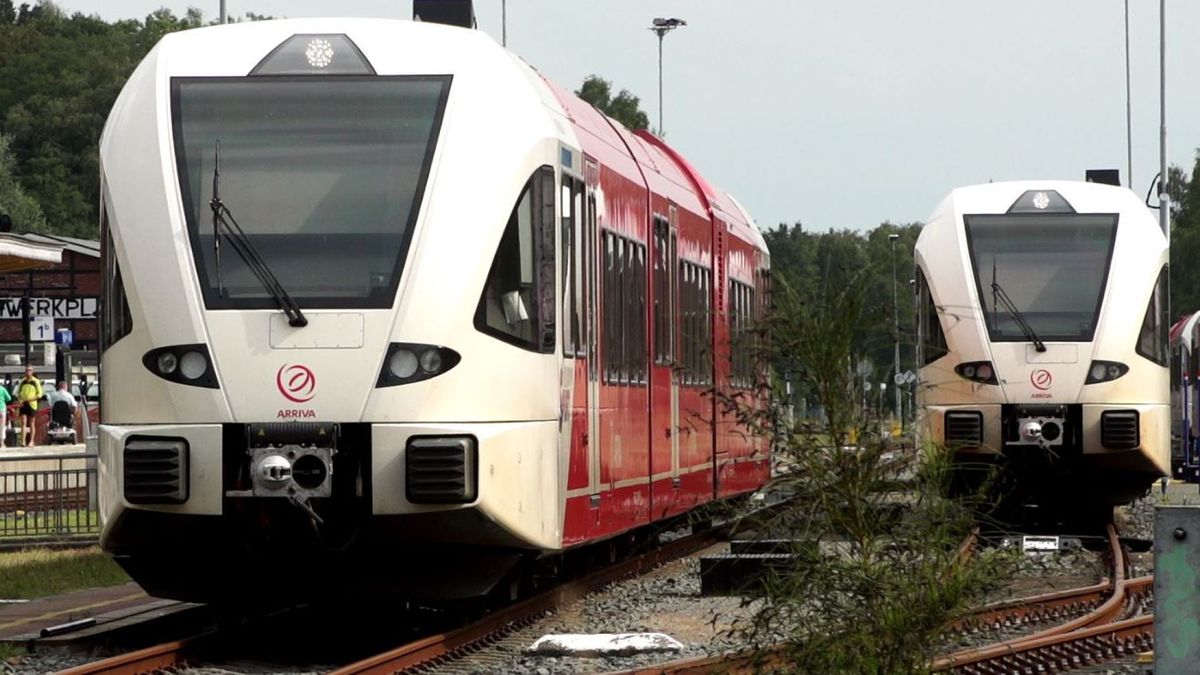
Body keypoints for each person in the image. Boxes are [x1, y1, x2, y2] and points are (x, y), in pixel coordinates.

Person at [16, 367, 42, 448]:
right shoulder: (22, 381)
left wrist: (31, 399)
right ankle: (23, 441)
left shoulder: (36, 381)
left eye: (30, 370)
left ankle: (31, 441)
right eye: (26, 370)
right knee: (23, 421)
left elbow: (40, 394)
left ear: (32, 371)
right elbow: (17, 393)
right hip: (23, 404)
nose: (28, 372)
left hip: (32, 404)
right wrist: (20, 400)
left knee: (31, 422)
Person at [0, 378, 10, 449]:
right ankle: (2, 443)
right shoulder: (2, 389)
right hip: (2, 409)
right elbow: (9, 398)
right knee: (2, 427)